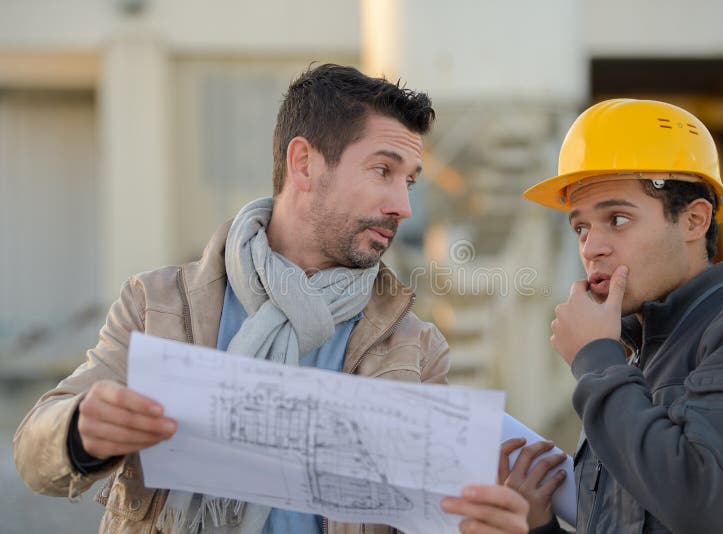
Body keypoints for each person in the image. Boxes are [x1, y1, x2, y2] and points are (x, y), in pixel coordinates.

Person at [14, 63, 484, 534]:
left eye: (409, 181)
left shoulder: (416, 350)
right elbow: (33, 454)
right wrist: (79, 430)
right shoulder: (157, 305)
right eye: (383, 171)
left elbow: (434, 514)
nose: (403, 206)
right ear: (304, 163)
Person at [494, 98, 723, 533]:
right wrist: (538, 524)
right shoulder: (631, 356)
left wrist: (596, 360)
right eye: (581, 227)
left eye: (617, 219)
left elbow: (697, 504)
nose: (591, 247)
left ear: (694, 220)